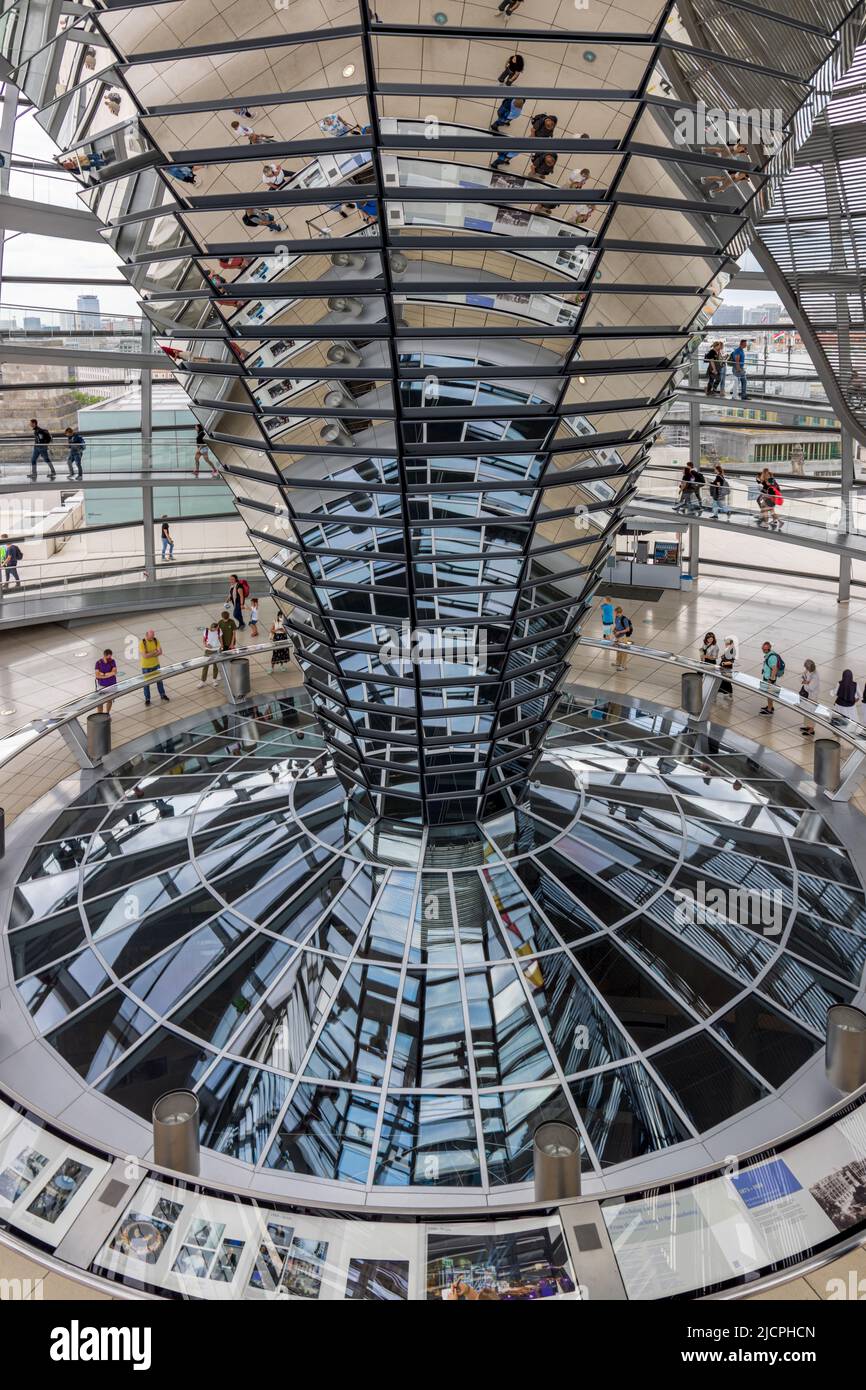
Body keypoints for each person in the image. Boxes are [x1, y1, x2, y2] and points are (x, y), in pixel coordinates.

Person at [139, 630, 170, 705]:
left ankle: (162, 695)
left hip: (156, 665)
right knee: (146, 684)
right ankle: (147, 699)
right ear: (147, 635)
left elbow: (160, 652)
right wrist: (154, 652)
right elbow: (145, 656)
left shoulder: (156, 640)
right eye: (151, 636)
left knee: (159, 681)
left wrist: (150, 654)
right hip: (146, 667)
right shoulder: (142, 643)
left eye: (153, 635)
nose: (153, 637)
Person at [759, 640, 784, 715]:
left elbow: (774, 669)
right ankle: (770, 706)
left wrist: (770, 679)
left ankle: (769, 710)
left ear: (767, 649)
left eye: (763, 649)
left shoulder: (772, 657)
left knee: (769, 694)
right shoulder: (770, 654)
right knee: (768, 694)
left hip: (770, 679)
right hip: (769, 678)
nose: (762, 650)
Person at [799, 658, 819, 736]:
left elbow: (811, 688)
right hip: (807, 696)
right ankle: (808, 726)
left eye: (806, 668)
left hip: (812, 697)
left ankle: (811, 730)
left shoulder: (815, 676)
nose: (805, 669)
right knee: (807, 711)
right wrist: (806, 682)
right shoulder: (807, 671)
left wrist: (805, 683)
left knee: (811, 712)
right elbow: (802, 677)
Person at [94, 649, 118, 713]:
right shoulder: (98, 663)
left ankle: (107, 713)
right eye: (108, 657)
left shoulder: (112, 661)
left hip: (111, 684)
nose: (110, 659)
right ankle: (100, 714)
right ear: (104, 655)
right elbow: (97, 676)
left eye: (110, 657)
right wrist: (108, 674)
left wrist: (103, 674)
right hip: (102, 685)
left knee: (109, 700)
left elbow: (114, 672)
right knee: (99, 702)